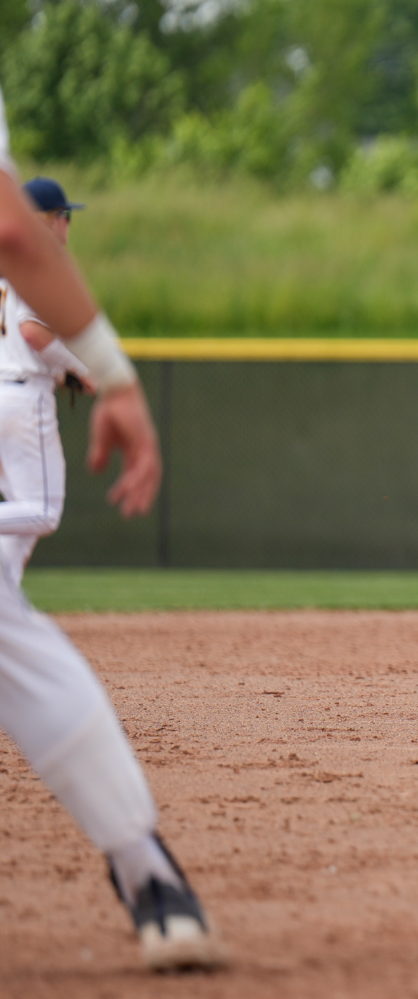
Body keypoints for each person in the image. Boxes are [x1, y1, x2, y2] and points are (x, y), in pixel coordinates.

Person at [0, 157, 223, 969]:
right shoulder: (33, 252)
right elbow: (13, 232)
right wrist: (109, 373)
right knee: (14, 633)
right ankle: (146, 872)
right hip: (20, 396)